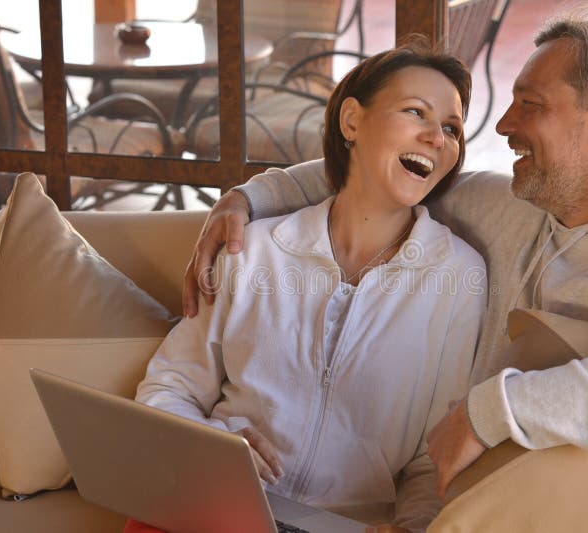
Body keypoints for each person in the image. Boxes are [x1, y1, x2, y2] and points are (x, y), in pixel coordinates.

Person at [181, 10, 588, 527]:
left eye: (530, 103)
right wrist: (247, 199)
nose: (502, 124)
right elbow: (373, 173)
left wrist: (488, 413)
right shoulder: (512, 204)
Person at [135, 41, 487, 532]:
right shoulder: (253, 250)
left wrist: (412, 527)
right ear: (351, 122)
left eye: (451, 129)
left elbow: (433, 459)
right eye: (416, 112)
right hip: (218, 507)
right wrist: (216, 442)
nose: (438, 138)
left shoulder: (459, 277)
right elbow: (168, 388)